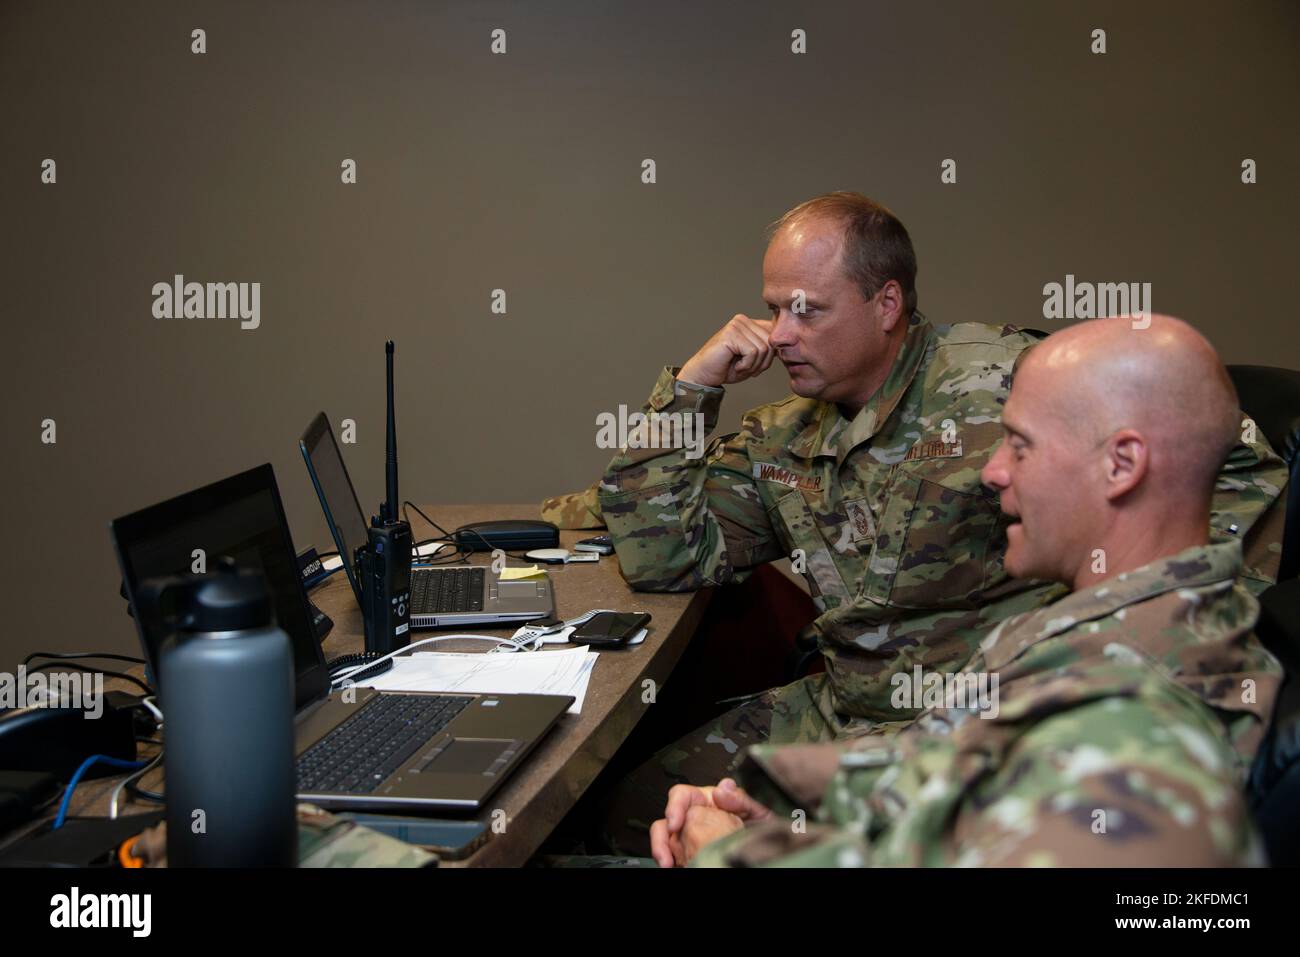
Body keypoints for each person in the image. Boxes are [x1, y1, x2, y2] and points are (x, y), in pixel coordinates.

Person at [560, 193, 1286, 856]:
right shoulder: (782, 435)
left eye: (807, 311)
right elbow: (663, 554)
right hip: (847, 707)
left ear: (886, 303)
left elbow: (1219, 456)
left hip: (979, 706)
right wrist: (693, 386)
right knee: (629, 813)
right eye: (773, 309)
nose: (780, 335)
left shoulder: (1001, 381)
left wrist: (1154, 622)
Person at [654, 315, 1283, 867]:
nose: (993, 471)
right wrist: (784, 815)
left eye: (1021, 446)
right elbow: (955, 794)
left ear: (1121, 464)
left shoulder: (1133, 721)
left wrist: (729, 856)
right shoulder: (1101, 626)